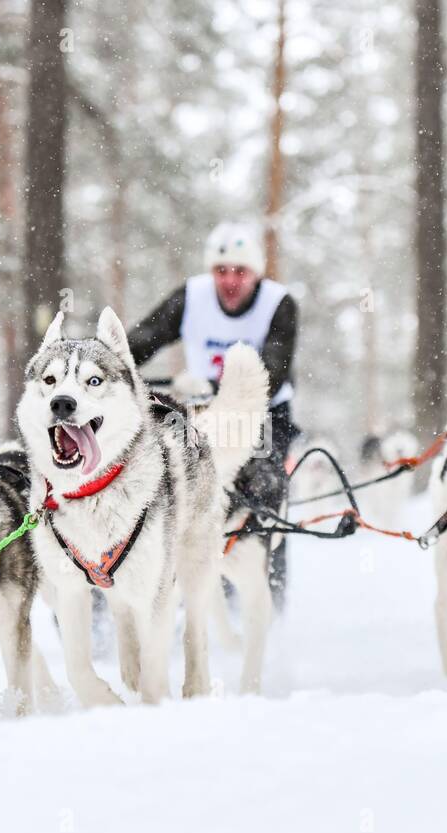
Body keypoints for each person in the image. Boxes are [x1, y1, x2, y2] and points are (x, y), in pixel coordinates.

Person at [128, 221, 298, 605]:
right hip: (201, 411)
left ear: (255, 273)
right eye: (222, 271)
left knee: (265, 487)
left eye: (240, 271)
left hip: (265, 412)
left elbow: (273, 365)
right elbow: (143, 338)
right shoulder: (191, 297)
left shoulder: (279, 303)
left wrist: (217, 385)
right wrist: (105, 363)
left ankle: (268, 596)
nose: (230, 280)